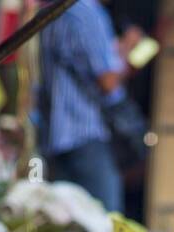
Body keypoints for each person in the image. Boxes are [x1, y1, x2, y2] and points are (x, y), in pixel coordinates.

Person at [36, 0, 129, 212]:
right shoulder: (84, 11)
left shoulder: (56, 9)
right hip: (82, 134)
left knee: (70, 224)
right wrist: (129, 50)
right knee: (107, 222)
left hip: (56, 135)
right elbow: (108, 81)